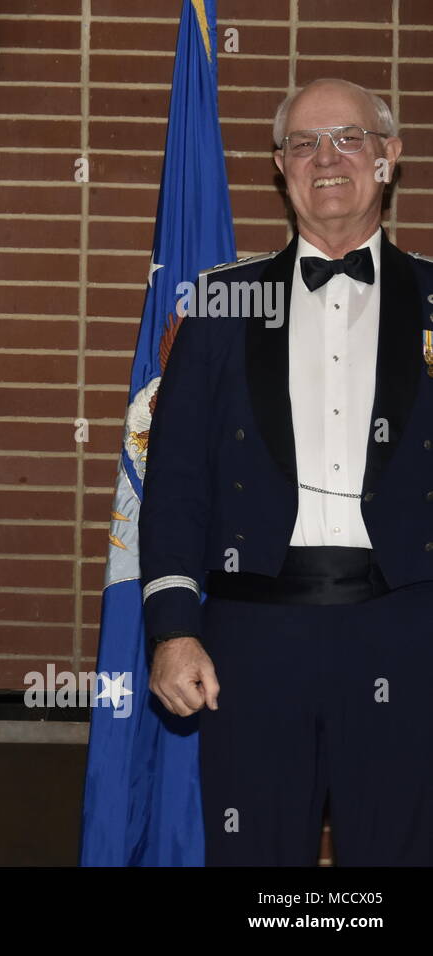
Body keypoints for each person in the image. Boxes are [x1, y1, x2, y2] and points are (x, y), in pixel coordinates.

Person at [140, 78, 433, 865]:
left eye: (347, 138)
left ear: (389, 156)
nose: (325, 158)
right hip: (252, 638)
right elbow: (173, 485)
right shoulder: (217, 305)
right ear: (279, 167)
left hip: (407, 630)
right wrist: (172, 630)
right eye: (303, 143)